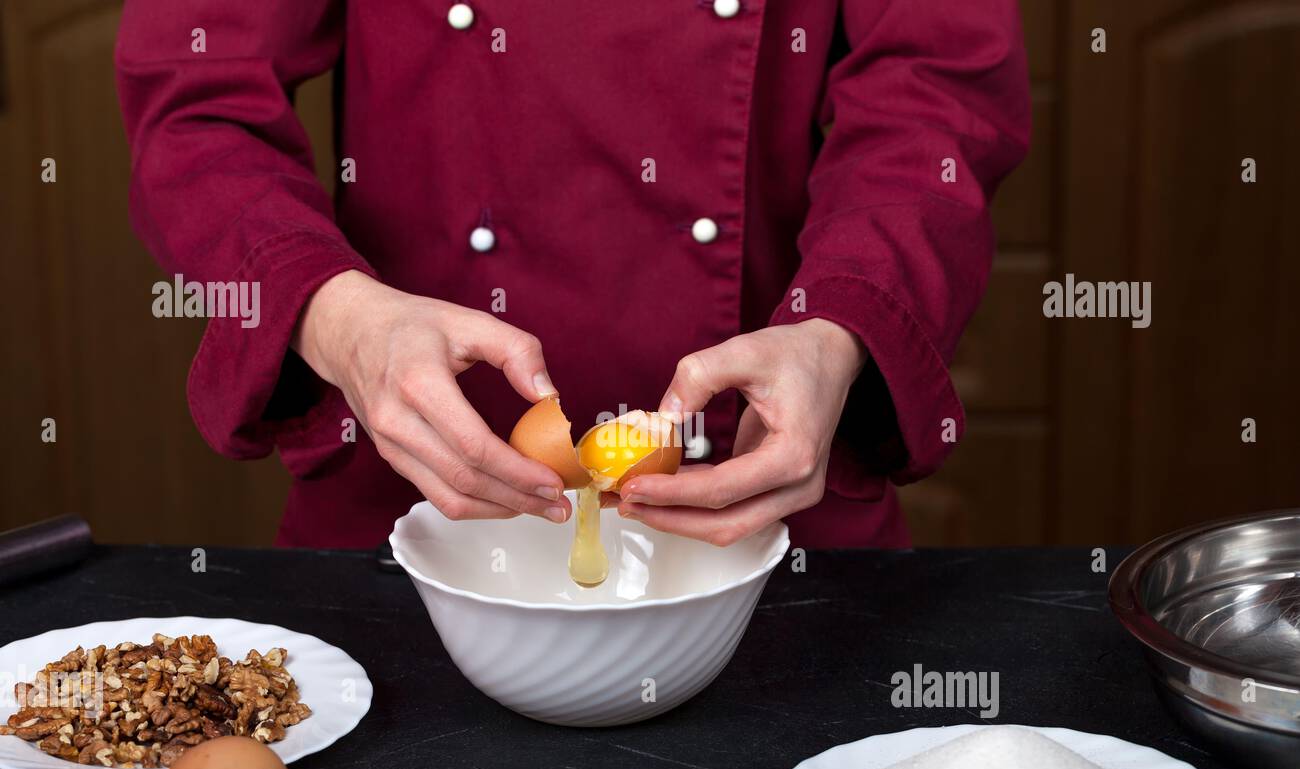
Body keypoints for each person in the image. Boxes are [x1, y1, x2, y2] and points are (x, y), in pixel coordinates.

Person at [116, 1, 1030, 549]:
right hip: (411, 490)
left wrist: (843, 323)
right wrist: (338, 316)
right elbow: (198, 94)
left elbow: (938, 91)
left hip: (769, 481)